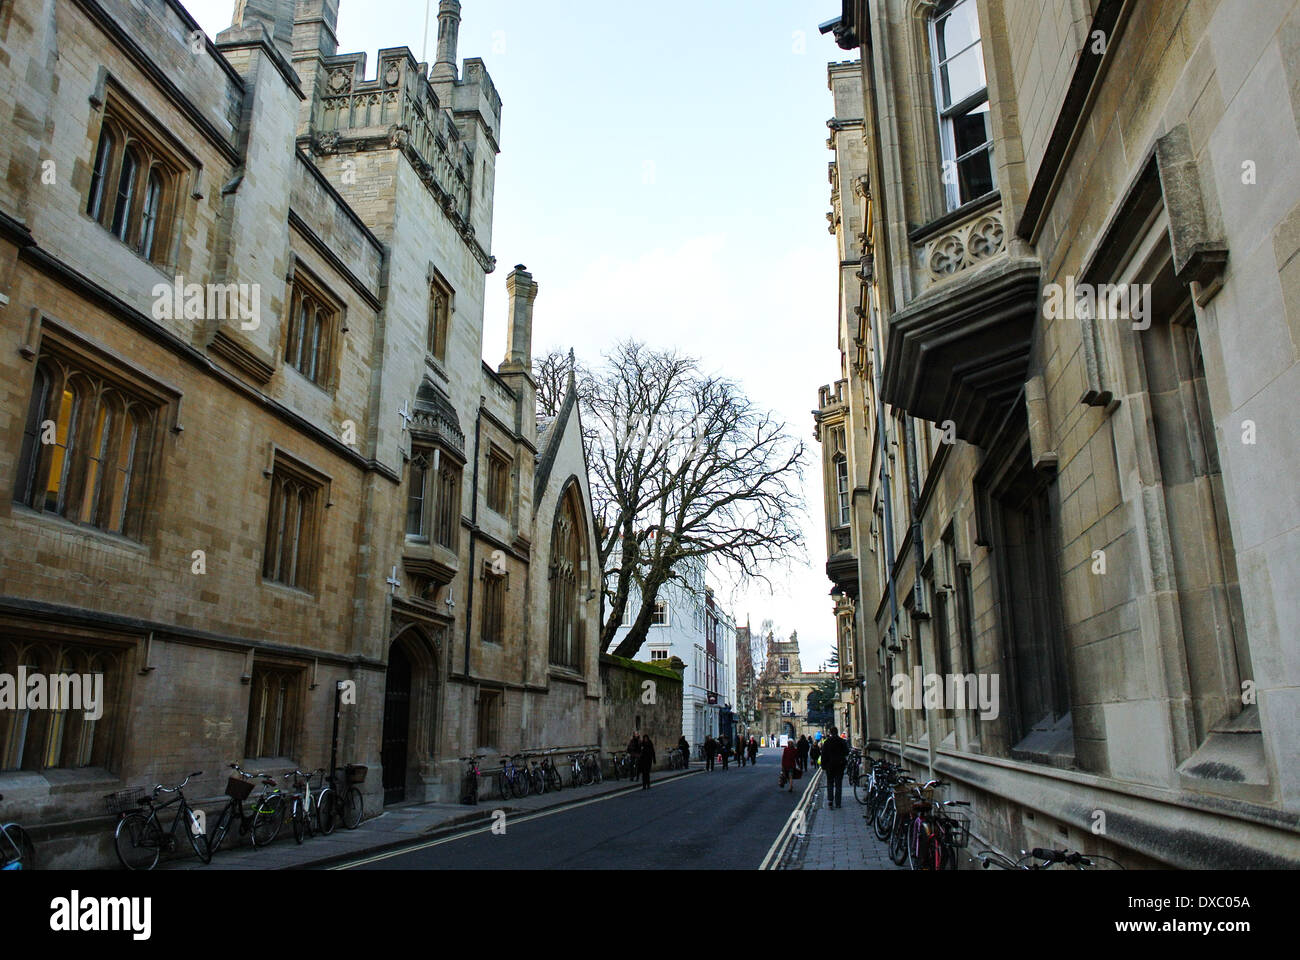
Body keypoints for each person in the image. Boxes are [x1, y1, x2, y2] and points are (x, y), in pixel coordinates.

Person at [821, 726, 850, 808]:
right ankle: (838, 803)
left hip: (829, 766)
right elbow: (847, 752)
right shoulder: (842, 741)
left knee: (830, 783)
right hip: (839, 765)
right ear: (837, 732)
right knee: (838, 784)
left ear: (830, 733)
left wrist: (823, 765)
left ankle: (830, 800)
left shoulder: (827, 742)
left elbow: (823, 755)